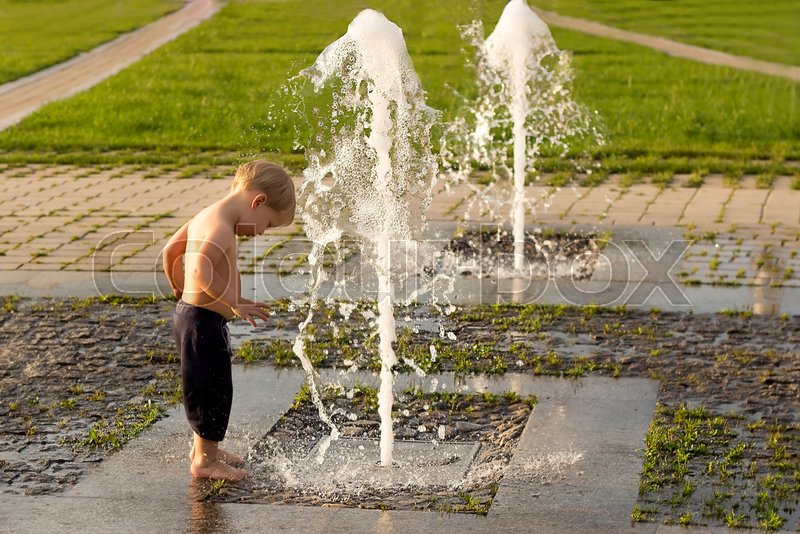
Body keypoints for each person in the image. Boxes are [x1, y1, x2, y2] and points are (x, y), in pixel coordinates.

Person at [162, 160, 296, 481]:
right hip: (202, 322)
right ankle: (205, 463)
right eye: (268, 225)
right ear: (258, 202)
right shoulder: (222, 227)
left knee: (207, 385)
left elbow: (171, 249)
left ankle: (204, 450)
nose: (262, 232)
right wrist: (234, 303)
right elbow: (199, 270)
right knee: (212, 391)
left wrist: (177, 287)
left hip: (193, 317)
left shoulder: (206, 215)